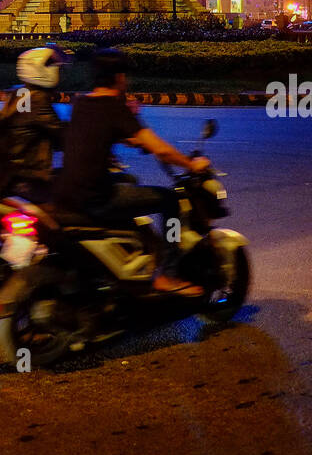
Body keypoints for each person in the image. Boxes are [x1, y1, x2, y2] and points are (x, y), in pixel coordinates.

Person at [52, 49, 210, 296]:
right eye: (125, 75)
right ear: (118, 77)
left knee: (128, 181)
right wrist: (192, 165)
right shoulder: (114, 107)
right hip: (95, 198)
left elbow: (104, 132)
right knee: (170, 200)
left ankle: (134, 247)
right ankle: (168, 275)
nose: (127, 80)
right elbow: (161, 150)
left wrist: (130, 130)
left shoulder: (81, 102)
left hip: (67, 192)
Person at [0, 46, 68, 203]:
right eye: (56, 68)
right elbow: (62, 137)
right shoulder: (37, 100)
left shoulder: (19, 94)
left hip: (12, 173)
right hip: (29, 176)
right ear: (42, 70)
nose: (59, 73)